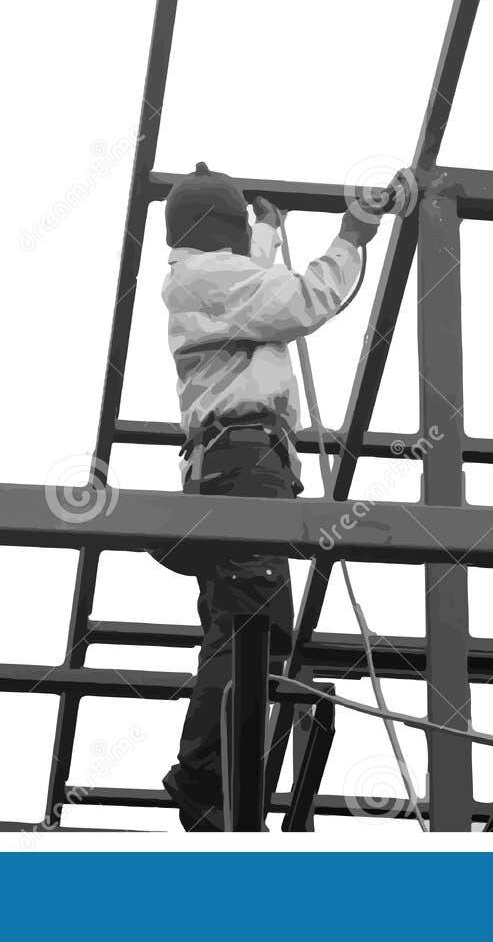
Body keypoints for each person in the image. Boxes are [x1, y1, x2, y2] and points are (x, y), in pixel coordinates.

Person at [156, 161, 380, 830]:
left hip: (233, 461)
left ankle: (216, 772)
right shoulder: (208, 279)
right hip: (244, 459)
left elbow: (253, 286)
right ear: (220, 229)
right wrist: (352, 236)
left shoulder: (200, 276)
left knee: (237, 619)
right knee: (254, 620)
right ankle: (204, 772)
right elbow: (300, 300)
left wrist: (267, 231)